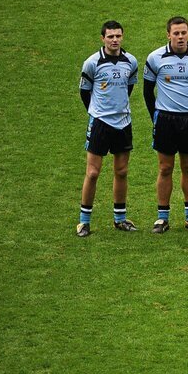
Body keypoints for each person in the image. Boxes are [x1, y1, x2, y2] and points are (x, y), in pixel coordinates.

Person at [143, 16, 188, 232]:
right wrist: (156, 115)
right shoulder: (155, 58)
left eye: (184, 33)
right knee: (165, 168)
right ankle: (162, 217)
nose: (180, 37)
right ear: (168, 34)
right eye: (176, 33)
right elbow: (147, 91)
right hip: (165, 120)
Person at [77, 20, 139, 237]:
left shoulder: (130, 62)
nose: (115, 40)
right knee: (93, 173)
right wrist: (97, 112)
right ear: (103, 38)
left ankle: (120, 219)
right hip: (100, 123)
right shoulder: (92, 63)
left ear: (122, 37)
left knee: (121, 171)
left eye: (118, 36)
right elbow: (85, 92)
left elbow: (129, 87)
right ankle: (84, 221)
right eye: (110, 36)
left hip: (123, 122)